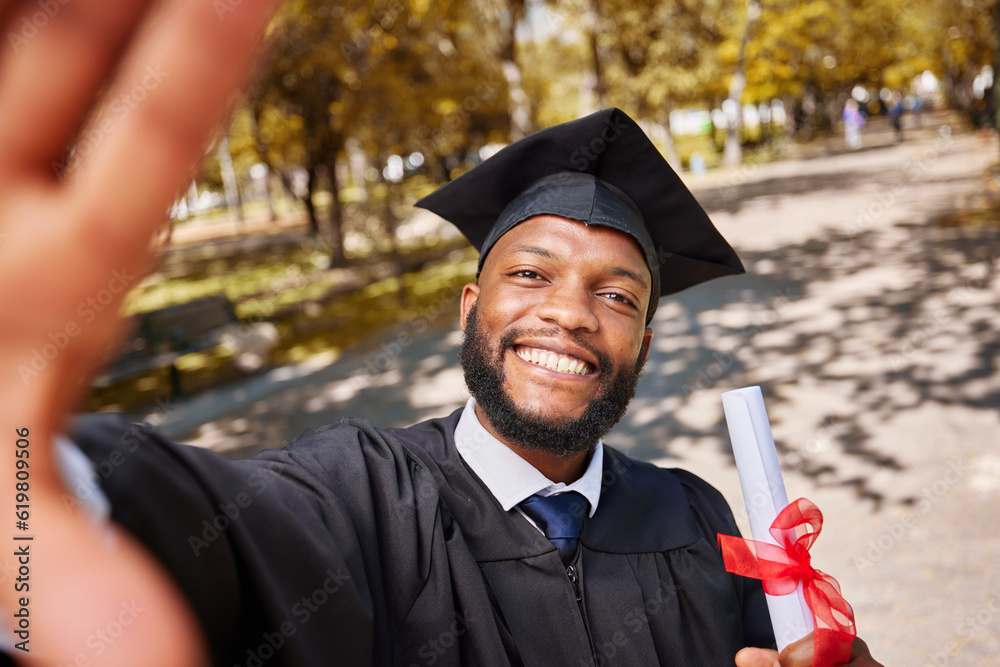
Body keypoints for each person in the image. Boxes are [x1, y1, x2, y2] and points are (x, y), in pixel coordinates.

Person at [0, 4, 881, 666]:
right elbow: (177, 525)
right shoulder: (355, 495)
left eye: (617, 295)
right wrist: (23, 485)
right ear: (470, 310)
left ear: (643, 345)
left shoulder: (696, 517)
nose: (571, 312)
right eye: (530, 274)